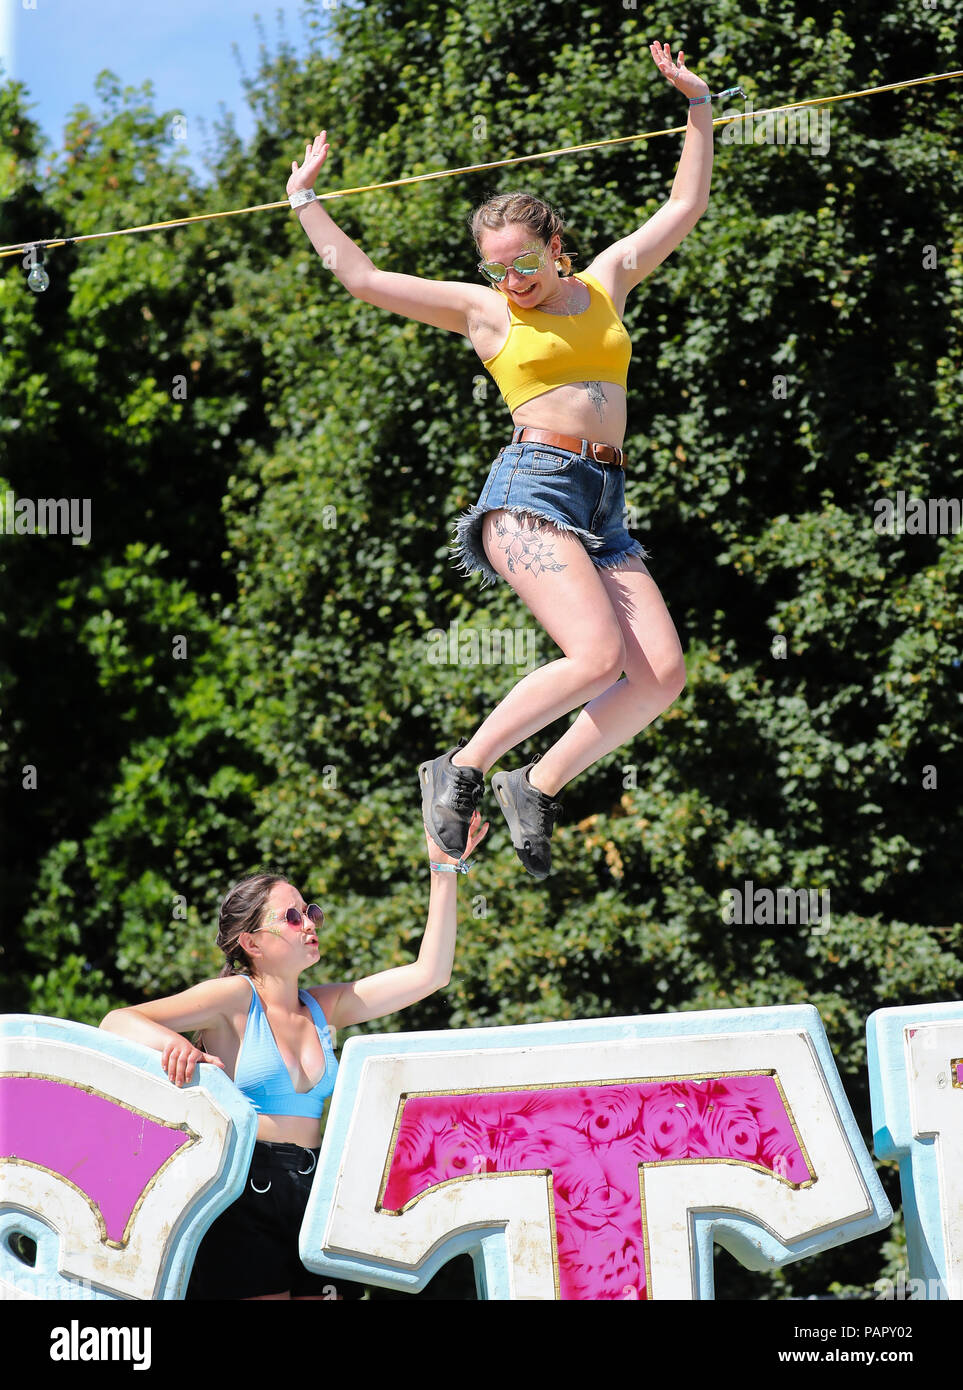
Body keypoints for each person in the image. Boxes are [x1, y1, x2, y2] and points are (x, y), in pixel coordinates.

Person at [287, 43, 717, 878]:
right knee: (594, 659)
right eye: (497, 267)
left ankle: (536, 782)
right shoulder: (486, 314)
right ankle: (463, 768)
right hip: (533, 490)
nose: (513, 279)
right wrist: (306, 200)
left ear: (557, 245)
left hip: (601, 502)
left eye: (524, 261)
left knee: (659, 675)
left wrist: (697, 107)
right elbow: (364, 277)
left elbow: (684, 204)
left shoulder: (605, 281)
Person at [99, 811, 488, 1301]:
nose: (309, 923)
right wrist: (176, 1045)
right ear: (252, 943)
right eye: (292, 916)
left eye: (311, 912)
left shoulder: (323, 1007)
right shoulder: (235, 999)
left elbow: (431, 974)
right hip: (243, 1190)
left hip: (318, 1189)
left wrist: (445, 868)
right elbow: (117, 1021)